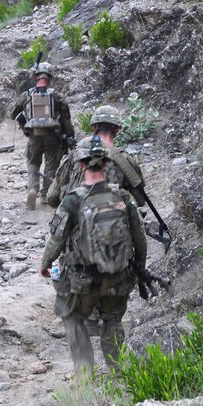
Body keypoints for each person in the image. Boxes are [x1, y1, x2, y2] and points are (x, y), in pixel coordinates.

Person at [40, 137, 147, 376]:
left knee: (74, 318)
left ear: (81, 165)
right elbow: (140, 238)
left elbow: (56, 239)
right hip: (118, 274)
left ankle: (84, 374)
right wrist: (139, 266)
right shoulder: (123, 197)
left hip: (83, 279)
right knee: (112, 320)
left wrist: (45, 263)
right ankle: (118, 373)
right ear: (106, 163)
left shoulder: (73, 200)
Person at [47, 105, 146, 208]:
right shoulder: (124, 160)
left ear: (94, 128)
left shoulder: (76, 154)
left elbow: (52, 198)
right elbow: (140, 200)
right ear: (117, 129)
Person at [11, 62, 75, 210]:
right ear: (50, 78)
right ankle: (45, 195)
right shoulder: (57, 96)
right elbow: (66, 119)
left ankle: (32, 189)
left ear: (36, 77)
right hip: (52, 135)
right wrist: (70, 136)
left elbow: (14, 113)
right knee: (51, 163)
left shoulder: (26, 95)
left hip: (33, 135)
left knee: (33, 162)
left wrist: (25, 124)